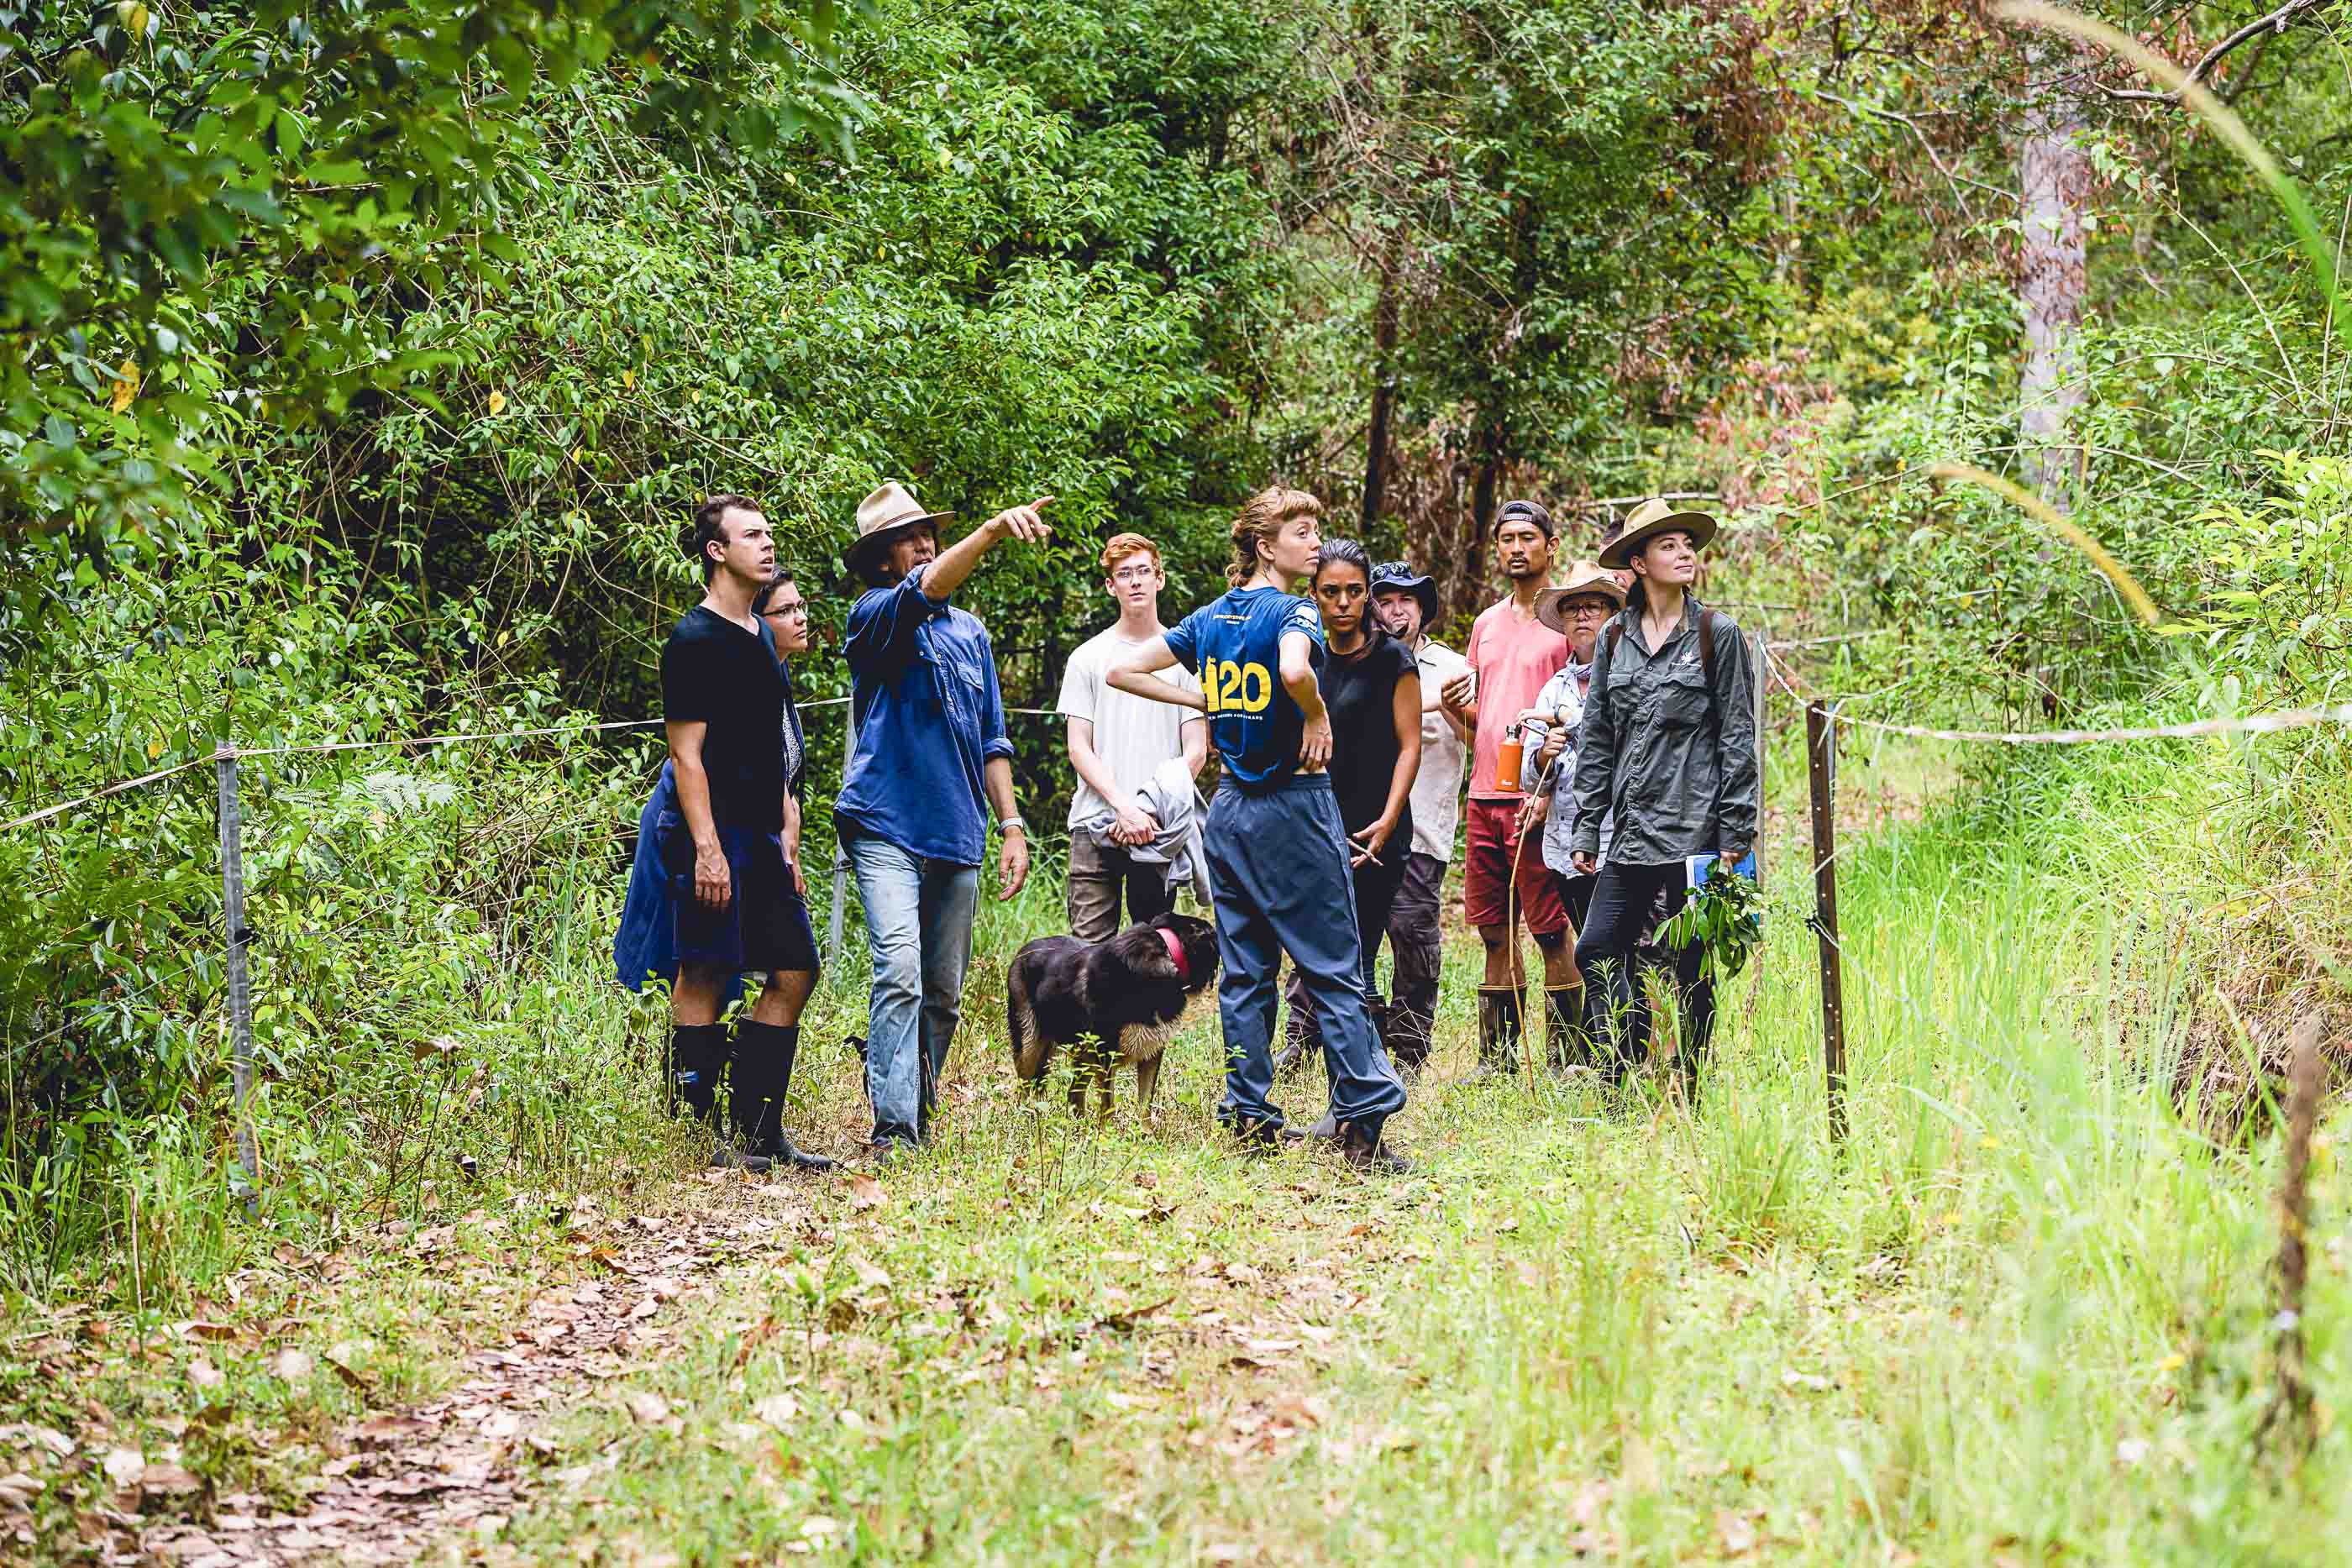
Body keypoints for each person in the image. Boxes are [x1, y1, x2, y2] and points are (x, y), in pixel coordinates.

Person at [1107, 488, 1411, 1173]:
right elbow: (1297, 669)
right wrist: (1313, 714)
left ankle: (1248, 1113)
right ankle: (1363, 1128)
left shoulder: (1210, 618)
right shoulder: (1293, 608)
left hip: (1232, 813)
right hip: (1293, 809)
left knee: (1246, 973)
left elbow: (1123, 669)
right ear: (1266, 547)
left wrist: (1202, 696)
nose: (1314, 541)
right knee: (1334, 967)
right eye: (1302, 532)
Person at [836, 480, 1052, 1159]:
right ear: (881, 558)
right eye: (906, 537)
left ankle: (916, 1105)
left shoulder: (972, 634)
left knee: (944, 992)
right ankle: (893, 1127)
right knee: (898, 969)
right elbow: (922, 590)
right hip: (885, 821)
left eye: (926, 531)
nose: (923, 542)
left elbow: (993, 740)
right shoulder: (874, 615)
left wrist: (1012, 824)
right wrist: (989, 532)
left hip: (957, 831)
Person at [626, 497, 832, 1172]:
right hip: (707, 835)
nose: (766, 544)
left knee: (796, 968)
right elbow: (687, 756)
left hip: (761, 837)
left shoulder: (758, 637)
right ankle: (696, 1134)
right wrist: (707, 847)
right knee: (705, 970)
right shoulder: (694, 640)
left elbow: (769, 749)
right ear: (716, 551)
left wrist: (784, 837)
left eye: (769, 533)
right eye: (751, 535)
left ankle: (759, 1130)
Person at [1569, 498, 1760, 1098]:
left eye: (1688, 544)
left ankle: (1691, 1083)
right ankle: (1621, 1064)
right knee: (1598, 948)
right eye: (1669, 545)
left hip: (1696, 833)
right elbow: (1598, 734)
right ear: (1639, 561)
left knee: (1690, 966)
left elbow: (1737, 736)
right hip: (1630, 830)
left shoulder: (1716, 634)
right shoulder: (1613, 637)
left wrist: (1736, 833)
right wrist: (1585, 827)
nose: (1685, 554)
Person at [1440, 498, 1580, 1079]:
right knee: (1493, 929)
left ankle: (1567, 1056)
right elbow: (1482, 719)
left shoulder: (1565, 624)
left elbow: (1577, 707)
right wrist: (1454, 712)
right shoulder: (1485, 625)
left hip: (1538, 796)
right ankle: (1496, 1059)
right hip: (1484, 796)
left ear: (1550, 546)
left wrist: (1548, 789)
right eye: (1507, 539)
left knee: (1550, 926)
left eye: (1528, 537)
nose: (1517, 547)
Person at [1274, 541, 1421, 1089]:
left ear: (1368, 596)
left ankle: (1362, 1082)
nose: (1342, 603)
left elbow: (1410, 745)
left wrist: (1388, 820)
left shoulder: (1392, 659)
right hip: (1313, 823)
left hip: (1374, 830)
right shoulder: (1302, 656)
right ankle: (1326, 1054)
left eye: (1354, 592)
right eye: (1331, 591)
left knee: (1356, 950)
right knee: (1315, 947)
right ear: (1313, 593)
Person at [1058, 532, 1209, 940]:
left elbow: (1196, 750)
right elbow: (1078, 747)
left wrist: (1150, 810)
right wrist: (1124, 807)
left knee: (1150, 957)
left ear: (1160, 579)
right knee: (1088, 959)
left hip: (1158, 826)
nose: (1136, 581)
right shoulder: (1087, 657)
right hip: (1095, 821)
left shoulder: (1185, 657)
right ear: (1111, 586)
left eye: (1144, 571)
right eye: (1125, 574)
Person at [1515, 561, 1628, 1072]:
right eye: (1574, 609)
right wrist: (1545, 753)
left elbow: (1625, 732)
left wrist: (1566, 724)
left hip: (1622, 840)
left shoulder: (1628, 673)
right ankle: (1606, 1054)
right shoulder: (1554, 688)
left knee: (1617, 948)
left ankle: (1622, 1055)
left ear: (1611, 615)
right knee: (1588, 945)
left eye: (1594, 606)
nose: (1583, 616)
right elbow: (1525, 772)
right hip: (1566, 843)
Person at [1369, 560, 1470, 1074]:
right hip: (1360, 831)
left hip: (1423, 831)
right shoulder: (1358, 661)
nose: (1394, 610)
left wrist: (1453, 708)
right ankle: (1312, 1038)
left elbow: (1482, 739)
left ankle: (1409, 1050)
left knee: (1413, 942)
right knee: (1343, 939)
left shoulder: (1453, 669)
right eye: (1384, 601)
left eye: (1405, 601)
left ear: (1421, 609)